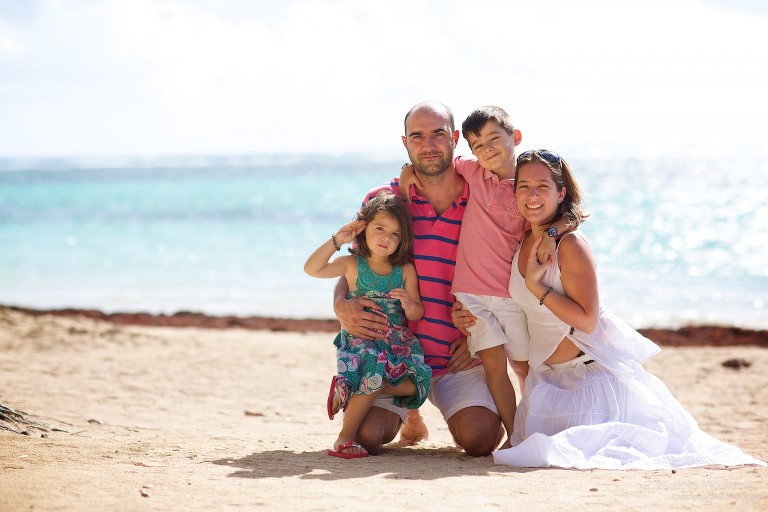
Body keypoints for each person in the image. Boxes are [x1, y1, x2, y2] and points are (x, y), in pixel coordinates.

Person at [464, 148, 765, 469]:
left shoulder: (572, 246)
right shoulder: (524, 240)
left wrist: (540, 287)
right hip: (546, 390)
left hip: (590, 389)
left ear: (561, 192)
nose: (532, 194)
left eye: (542, 186)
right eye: (523, 186)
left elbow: (587, 320)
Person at [333, 101, 503, 456]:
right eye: (417, 136)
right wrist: (341, 305)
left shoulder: (482, 195)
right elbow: (355, 266)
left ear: (455, 138)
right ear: (405, 144)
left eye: (438, 134)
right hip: (391, 353)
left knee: (481, 439)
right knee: (366, 434)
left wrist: (483, 339)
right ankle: (410, 413)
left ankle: (423, 411)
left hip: (457, 354)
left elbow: (506, 264)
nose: (428, 145)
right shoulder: (383, 200)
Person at [398, 106, 572, 448]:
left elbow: (564, 214)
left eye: (494, 139)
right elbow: (432, 167)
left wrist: (552, 235)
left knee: (523, 367)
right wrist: (407, 178)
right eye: (478, 145)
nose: (487, 149)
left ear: (515, 137)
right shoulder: (474, 173)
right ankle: (515, 436)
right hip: (470, 297)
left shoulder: (528, 190)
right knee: (495, 367)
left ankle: (533, 427)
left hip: (510, 296)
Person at [304, 190, 432, 459]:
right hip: (363, 343)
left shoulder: (405, 270)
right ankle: (344, 439)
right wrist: (337, 239)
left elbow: (417, 312)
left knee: (416, 382)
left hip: (396, 345)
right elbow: (312, 269)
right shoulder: (352, 265)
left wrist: (408, 303)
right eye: (380, 228)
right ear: (363, 229)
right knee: (372, 369)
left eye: (395, 233)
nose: (387, 238)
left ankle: (349, 384)